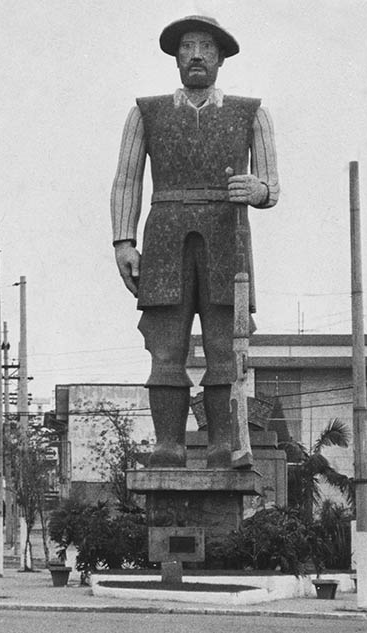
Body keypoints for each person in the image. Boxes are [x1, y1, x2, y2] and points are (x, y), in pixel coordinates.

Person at [110, 15, 279, 469]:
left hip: (229, 239)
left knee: (226, 346)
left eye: (207, 46)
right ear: (176, 56)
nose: (197, 54)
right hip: (165, 235)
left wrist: (257, 191)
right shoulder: (146, 112)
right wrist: (123, 242)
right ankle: (169, 444)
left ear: (221, 57)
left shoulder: (251, 112)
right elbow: (127, 180)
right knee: (165, 346)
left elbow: (271, 185)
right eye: (188, 46)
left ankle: (223, 445)